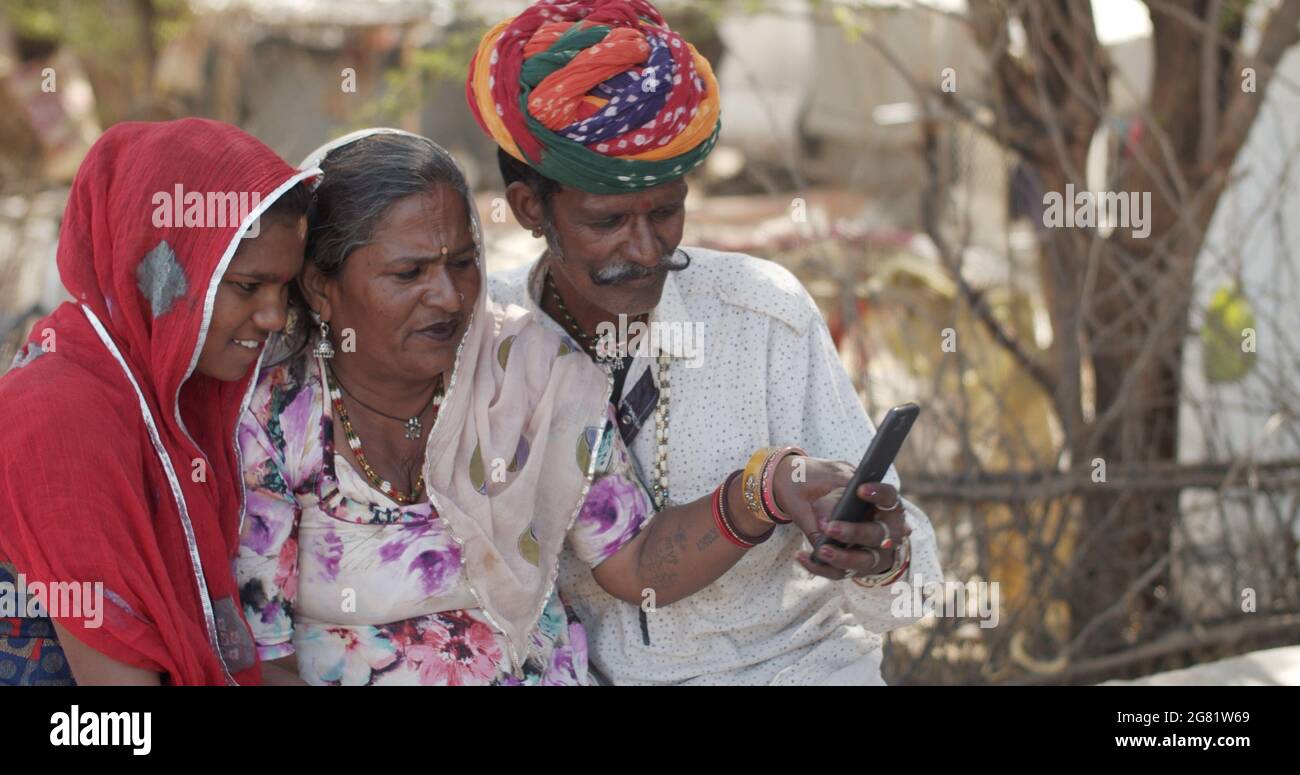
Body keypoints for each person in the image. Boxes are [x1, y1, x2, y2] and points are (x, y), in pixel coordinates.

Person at [236, 128, 875, 685]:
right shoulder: (272, 422)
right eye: (408, 275)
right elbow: (262, 658)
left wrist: (759, 491)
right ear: (322, 286)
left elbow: (634, 561)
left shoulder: (533, 370)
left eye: (463, 264)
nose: (449, 297)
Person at [474, 0, 945, 684]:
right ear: (528, 208)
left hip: (797, 667)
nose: (644, 247)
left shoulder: (762, 312)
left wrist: (878, 553)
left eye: (666, 211)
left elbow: (906, 568)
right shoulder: (493, 332)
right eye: (607, 220)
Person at [0, 118, 315, 685]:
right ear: (158, 272)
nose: (273, 318)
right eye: (246, 286)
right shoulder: (56, 417)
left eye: (283, 289)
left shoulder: (177, 394)